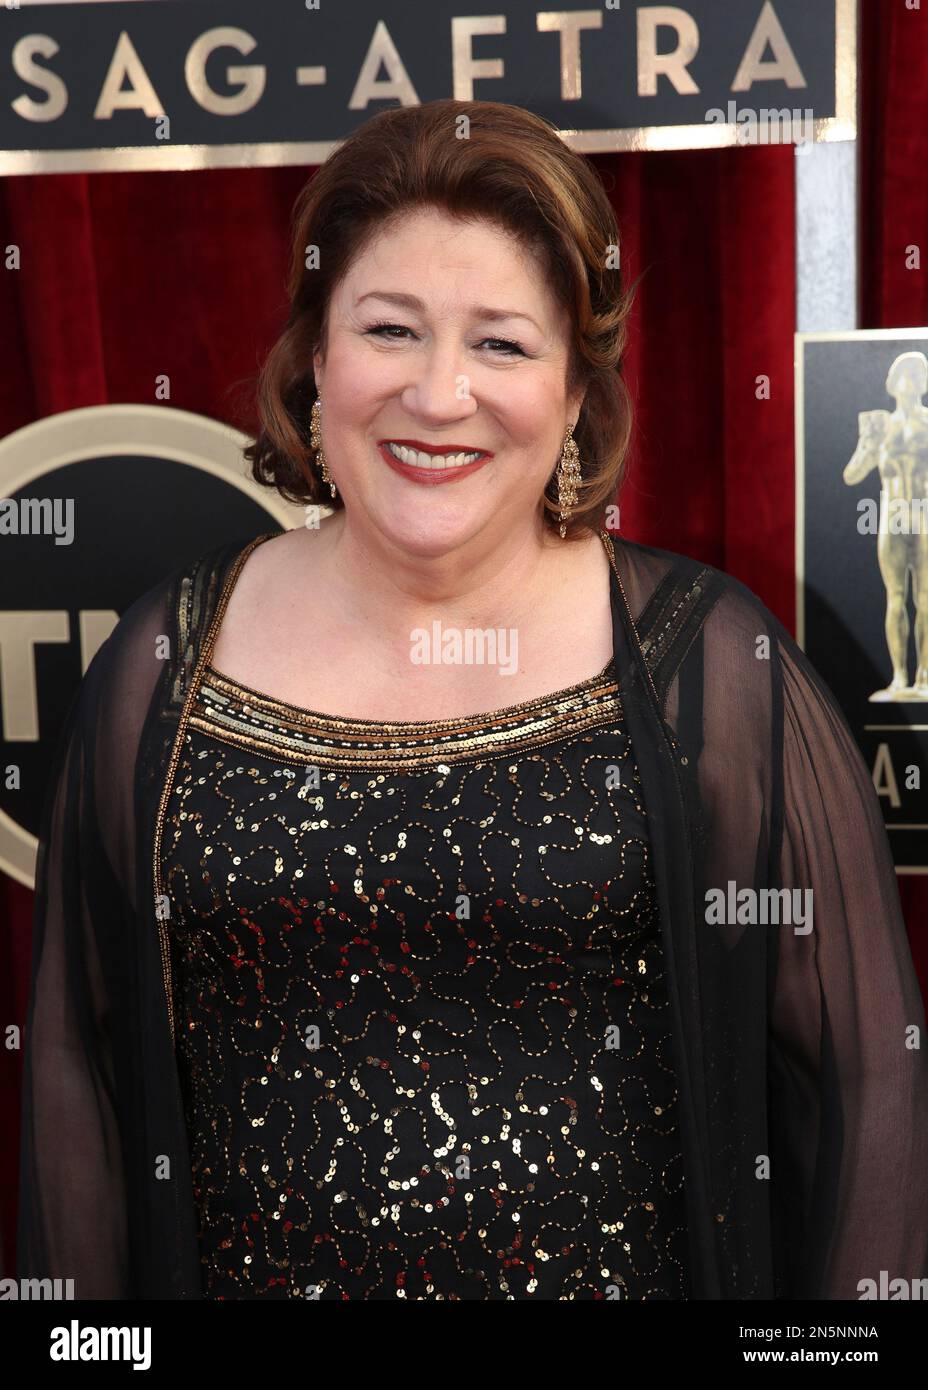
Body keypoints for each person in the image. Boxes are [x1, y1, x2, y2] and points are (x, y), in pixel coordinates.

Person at [17, 98, 928, 1301]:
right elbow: (76, 1066)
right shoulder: (160, 665)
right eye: (389, 330)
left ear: (572, 396)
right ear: (316, 361)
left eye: (500, 343)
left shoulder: (707, 666)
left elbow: (870, 1083)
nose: (439, 394)